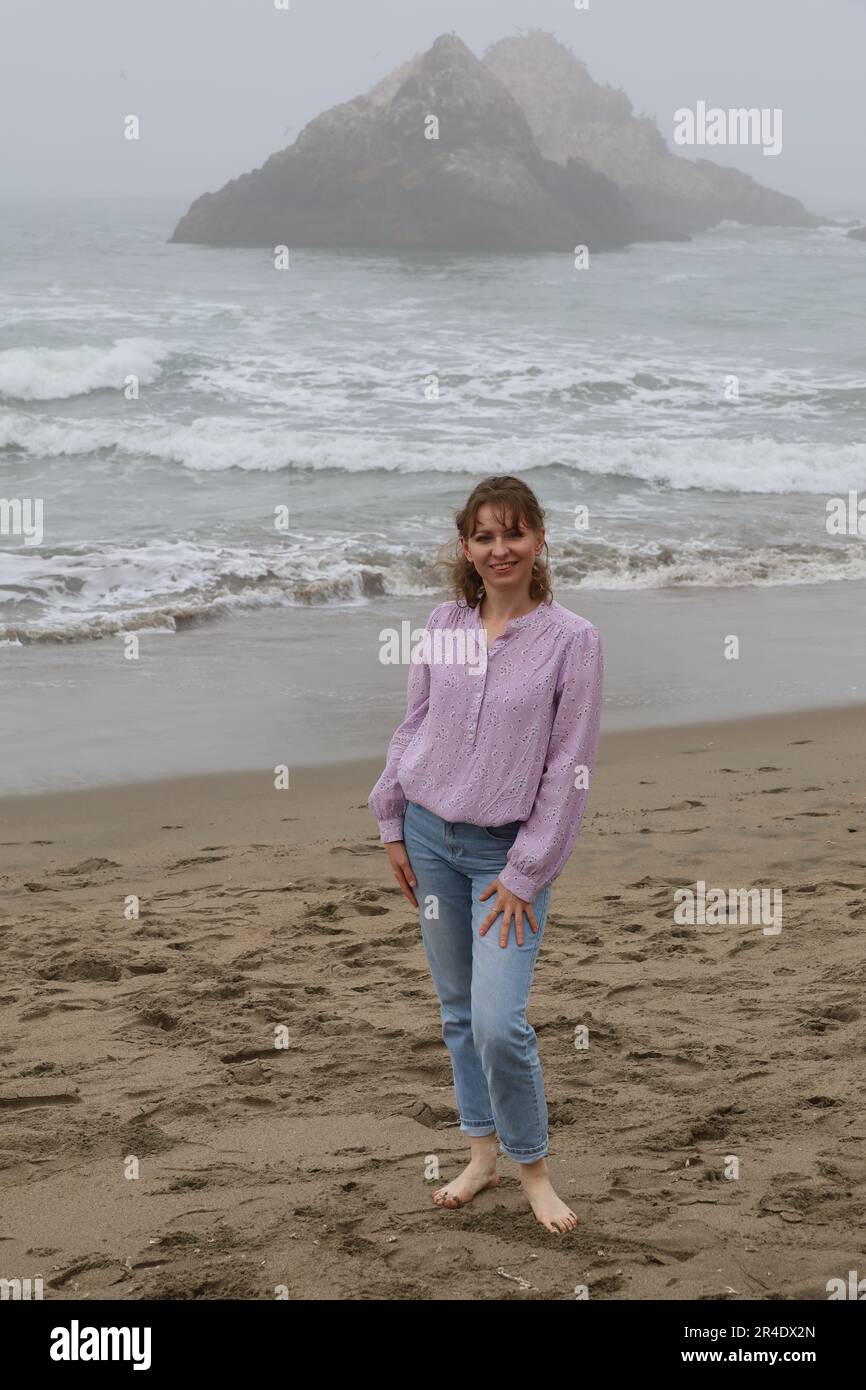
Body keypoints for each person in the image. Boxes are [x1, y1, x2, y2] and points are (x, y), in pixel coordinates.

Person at [368, 476, 603, 1233]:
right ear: (465, 546)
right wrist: (390, 820)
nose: (499, 549)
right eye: (484, 536)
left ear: (539, 540)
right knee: (461, 1012)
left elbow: (570, 769)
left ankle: (531, 1168)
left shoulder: (574, 640)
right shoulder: (441, 622)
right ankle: (480, 1156)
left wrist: (527, 871)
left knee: (503, 1021)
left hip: (508, 857)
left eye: (514, 533)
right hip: (430, 838)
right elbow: (413, 728)